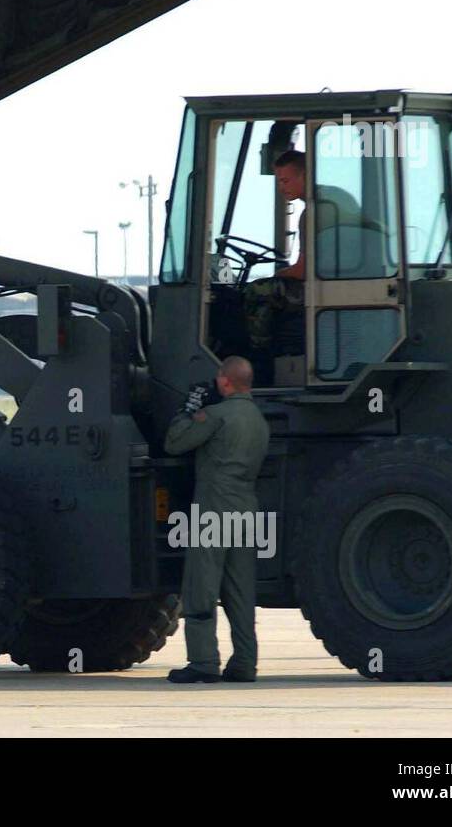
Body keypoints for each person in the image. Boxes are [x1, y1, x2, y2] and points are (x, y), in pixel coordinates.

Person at [163, 356, 270, 684]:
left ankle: (204, 661)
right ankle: (245, 663)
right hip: (246, 510)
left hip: (214, 511)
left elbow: (174, 443)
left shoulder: (217, 416)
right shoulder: (258, 420)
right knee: (240, 592)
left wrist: (187, 411)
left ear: (225, 382)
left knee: (201, 587)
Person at [243, 139, 363, 361]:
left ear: (305, 175)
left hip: (326, 288)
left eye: (286, 180)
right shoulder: (337, 197)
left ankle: (260, 361)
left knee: (257, 291)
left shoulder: (315, 212)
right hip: (347, 281)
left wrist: (278, 274)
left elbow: (303, 271)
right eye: (279, 182)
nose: (282, 188)